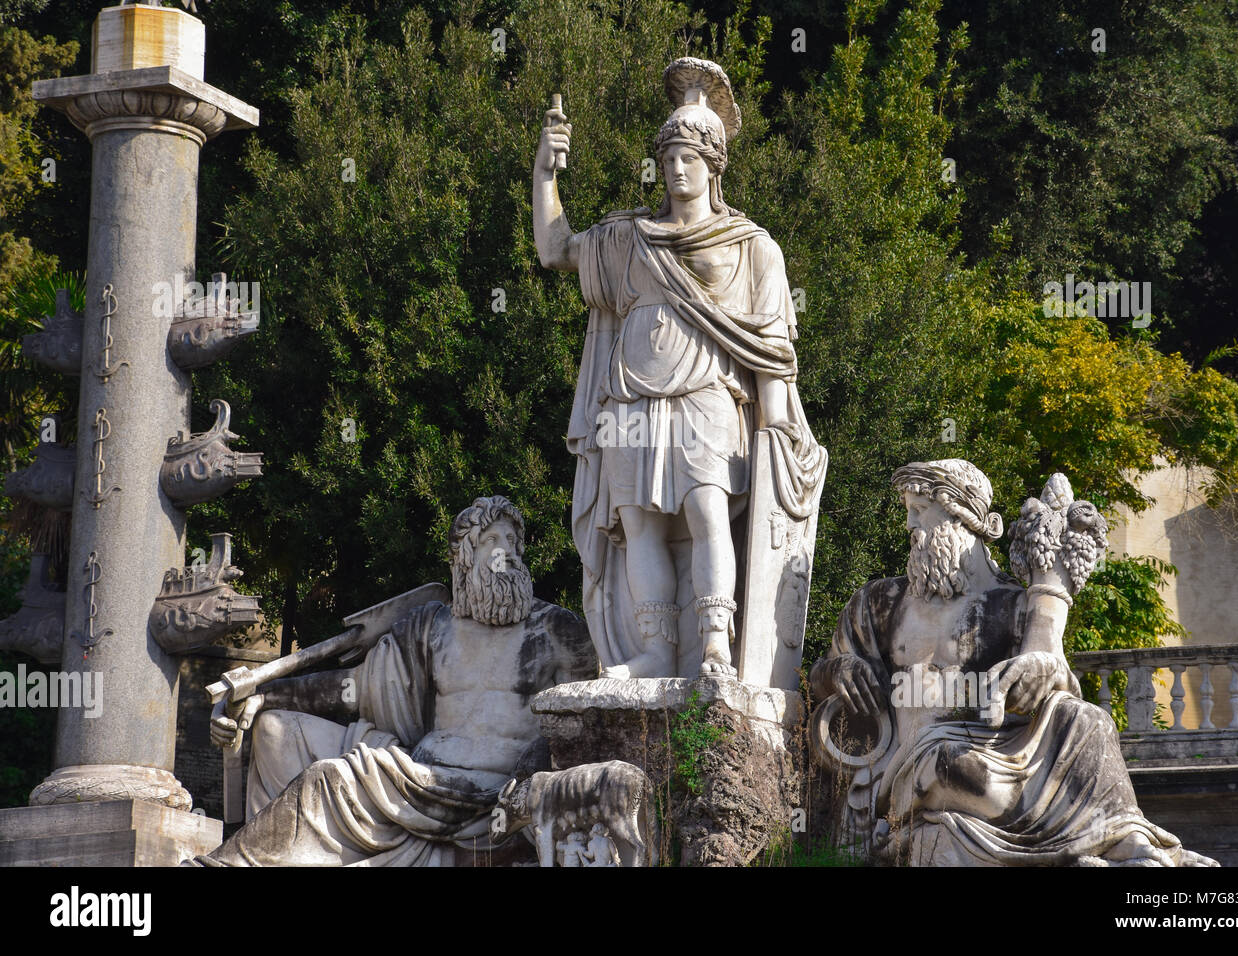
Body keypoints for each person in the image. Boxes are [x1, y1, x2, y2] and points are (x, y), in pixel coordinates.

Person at [534, 57, 826, 679]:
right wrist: (545, 174)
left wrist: (775, 426)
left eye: (688, 157)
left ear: (714, 164)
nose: (675, 169)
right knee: (639, 524)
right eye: (667, 158)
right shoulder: (629, 237)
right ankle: (656, 651)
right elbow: (554, 249)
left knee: (704, 511)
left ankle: (715, 643)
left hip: (708, 393)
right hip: (630, 396)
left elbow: (773, 345)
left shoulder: (753, 246)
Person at [811, 459, 1215, 866]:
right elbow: (821, 676)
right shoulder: (880, 602)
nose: (909, 526)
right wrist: (838, 670)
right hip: (920, 762)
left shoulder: (1012, 604)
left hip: (1001, 750)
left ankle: (1123, 839)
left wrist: (1043, 671)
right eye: (908, 511)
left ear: (960, 516)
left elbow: (1051, 683)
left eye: (919, 511)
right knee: (951, 762)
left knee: (1090, 721)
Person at [193, 496, 598, 866]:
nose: (507, 551)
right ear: (466, 556)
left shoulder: (555, 629)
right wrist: (264, 695)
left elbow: (582, 726)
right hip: (416, 774)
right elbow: (354, 690)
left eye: (513, 540)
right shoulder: (432, 628)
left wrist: (532, 779)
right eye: (493, 539)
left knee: (327, 777)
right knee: (276, 730)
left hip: (494, 791)